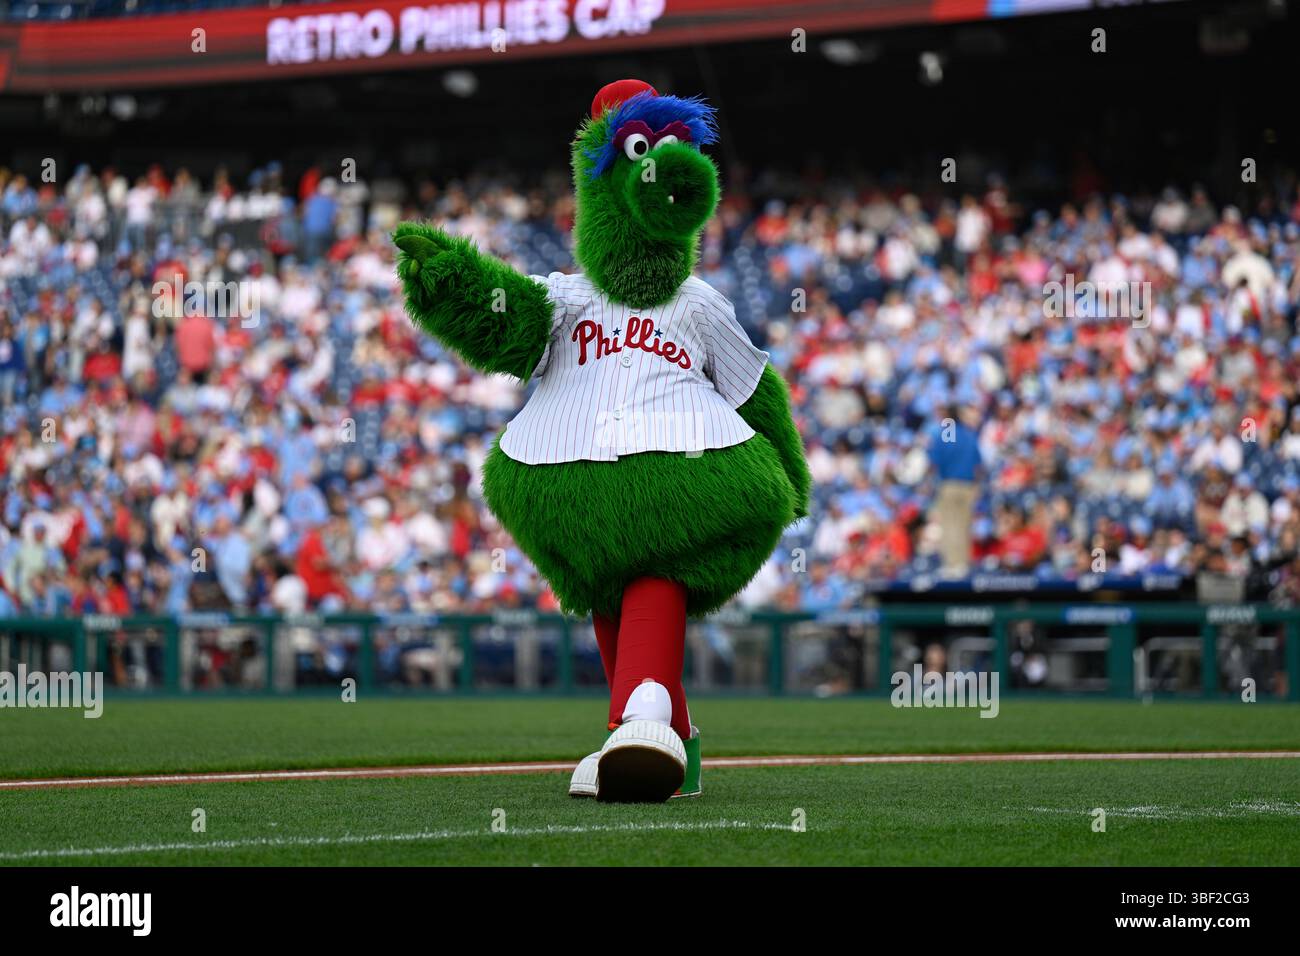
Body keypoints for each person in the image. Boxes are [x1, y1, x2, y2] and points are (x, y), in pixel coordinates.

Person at [928, 405, 983, 578]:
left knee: (950, 525)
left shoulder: (948, 431)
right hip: (968, 485)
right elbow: (978, 464)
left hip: (949, 484)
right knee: (964, 525)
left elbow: (935, 460)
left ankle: (953, 564)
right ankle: (963, 564)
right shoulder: (968, 433)